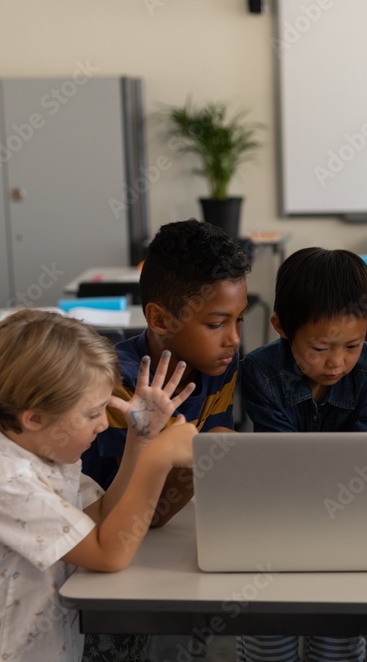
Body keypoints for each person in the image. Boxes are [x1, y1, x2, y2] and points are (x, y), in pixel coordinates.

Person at [0, 310, 196, 662]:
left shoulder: (41, 446)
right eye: (92, 413)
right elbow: (108, 554)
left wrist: (141, 440)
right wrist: (157, 460)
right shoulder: (4, 478)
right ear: (35, 417)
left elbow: (99, 516)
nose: (104, 423)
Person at [238, 247, 367, 662]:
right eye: (320, 348)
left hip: (349, 525)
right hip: (277, 520)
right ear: (281, 328)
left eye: (352, 345)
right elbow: (284, 459)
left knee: (339, 639)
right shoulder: (259, 371)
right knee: (269, 640)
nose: (337, 363)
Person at [82, 218, 251, 521]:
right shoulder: (118, 381)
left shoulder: (219, 362)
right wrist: (209, 453)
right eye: (216, 324)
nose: (234, 339)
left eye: (239, 319)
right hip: (107, 528)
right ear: (160, 320)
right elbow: (148, 511)